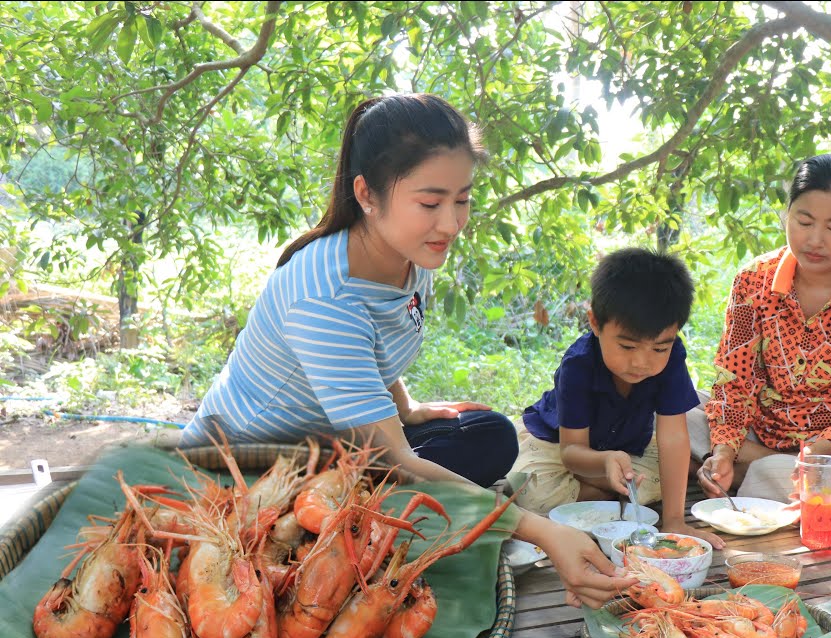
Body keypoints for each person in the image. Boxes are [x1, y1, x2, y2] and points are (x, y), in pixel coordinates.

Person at [180, 93, 634, 607]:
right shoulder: (325, 295)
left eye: (462, 199)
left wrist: (408, 408)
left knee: (489, 434)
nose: (451, 223)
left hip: (339, 447)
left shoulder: (411, 254)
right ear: (367, 195)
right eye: (430, 202)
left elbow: (376, 353)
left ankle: (426, 506)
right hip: (250, 469)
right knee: (412, 481)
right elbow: (397, 462)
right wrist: (543, 532)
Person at [690, 154, 831, 521]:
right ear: (787, 214)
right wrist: (725, 450)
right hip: (759, 431)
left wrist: (823, 449)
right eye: (803, 220)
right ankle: (746, 469)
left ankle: (758, 472)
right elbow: (734, 377)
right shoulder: (754, 280)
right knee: (673, 417)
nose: (814, 239)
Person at [512, 248, 723, 548]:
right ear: (595, 323)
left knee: (667, 477)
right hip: (554, 443)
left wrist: (675, 520)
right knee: (531, 490)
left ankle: (600, 496)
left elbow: (674, 437)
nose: (642, 362)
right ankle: (615, 494)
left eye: (659, 349)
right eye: (627, 347)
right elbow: (571, 452)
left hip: (626, 448)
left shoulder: (672, 358)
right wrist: (605, 461)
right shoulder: (579, 364)